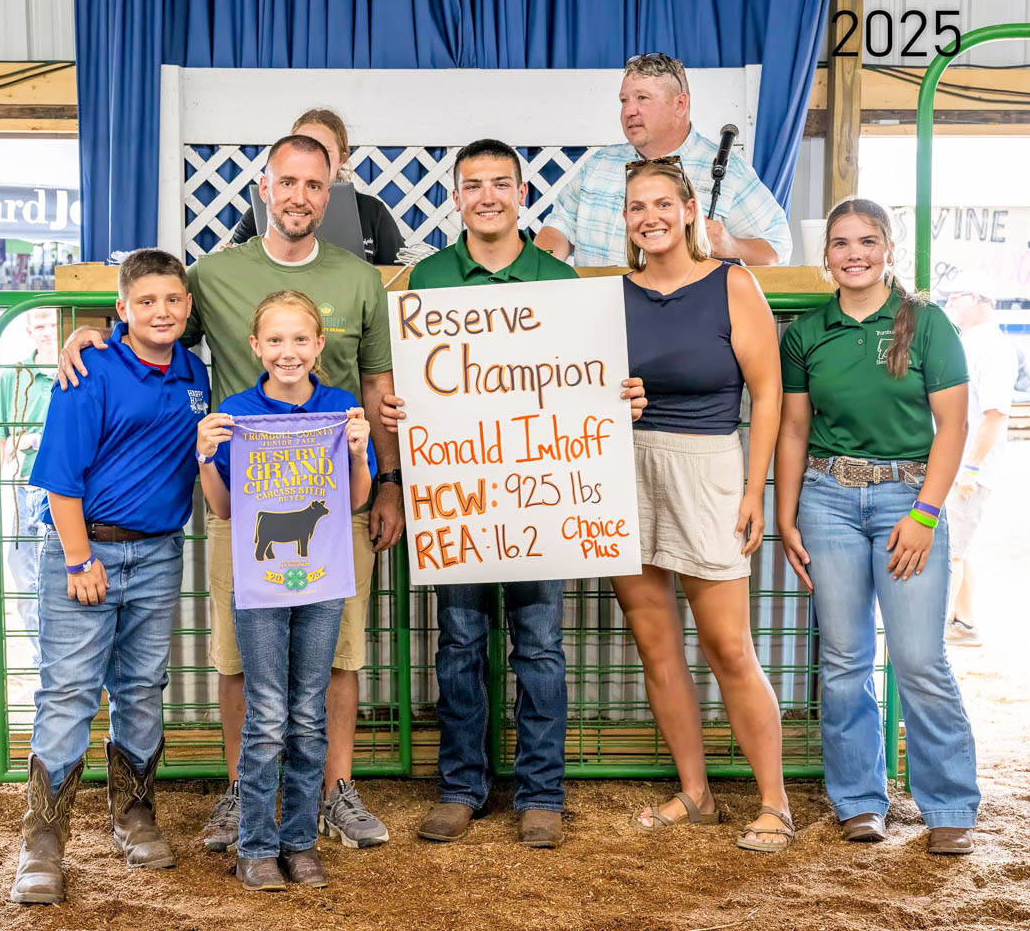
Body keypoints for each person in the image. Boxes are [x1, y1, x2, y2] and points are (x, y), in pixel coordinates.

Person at [58, 133, 401, 855]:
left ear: (331, 188)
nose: (300, 197)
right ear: (264, 187)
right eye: (287, 182)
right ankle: (243, 798)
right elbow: (157, 323)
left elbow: (375, 388)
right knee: (236, 658)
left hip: (337, 503)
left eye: (315, 184)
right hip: (236, 503)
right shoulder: (213, 275)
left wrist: (388, 482)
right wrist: (90, 331)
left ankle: (333, 792)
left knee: (337, 653)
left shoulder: (362, 279)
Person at [380, 139, 646, 849]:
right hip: (458, 496)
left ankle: (541, 792)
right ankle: (463, 786)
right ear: (457, 196)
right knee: (460, 643)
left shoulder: (561, 279)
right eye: (474, 184)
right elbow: (402, 379)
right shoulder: (425, 280)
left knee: (540, 647)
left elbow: (589, 379)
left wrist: (617, 394)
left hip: (538, 498)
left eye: (501, 183)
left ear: (522, 195)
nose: (488, 195)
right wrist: (400, 410)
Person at [775, 197, 980, 855]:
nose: (854, 253)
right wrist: (786, 510)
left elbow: (955, 426)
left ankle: (948, 803)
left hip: (906, 500)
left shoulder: (927, 325)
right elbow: (795, 427)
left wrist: (924, 513)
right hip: (827, 499)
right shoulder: (807, 332)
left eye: (867, 240)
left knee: (919, 658)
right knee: (843, 660)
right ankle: (860, 801)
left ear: (888, 248)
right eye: (840, 243)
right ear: (826, 255)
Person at [11, 249, 210, 905]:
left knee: (143, 688)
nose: (162, 312)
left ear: (188, 308)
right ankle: (43, 839)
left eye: (173, 301)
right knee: (68, 692)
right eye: (145, 301)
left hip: (157, 554)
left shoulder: (193, 373)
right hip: (84, 549)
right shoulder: (88, 368)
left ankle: (134, 814)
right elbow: (60, 480)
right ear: (121, 310)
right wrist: (78, 559)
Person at [611, 156, 792, 852]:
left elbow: (768, 392)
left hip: (709, 468)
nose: (649, 217)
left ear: (689, 208)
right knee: (656, 645)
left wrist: (754, 488)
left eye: (662, 203)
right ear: (624, 220)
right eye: (636, 207)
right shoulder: (613, 296)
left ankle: (774, 801)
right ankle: (696, 792)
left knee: (728, 647)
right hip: (625, 472)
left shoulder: (732, 283)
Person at [196, 290, 374, 891]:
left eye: (301, 339)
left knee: (306, 710)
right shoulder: (237, 411)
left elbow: (354, 500)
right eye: (275, 340)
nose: (288, 351)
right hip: (258, 585)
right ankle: (254, 845)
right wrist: (204, 457)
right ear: (255, 347)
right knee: (267, 711)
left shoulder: (341, 408)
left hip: (322, 583)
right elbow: (221, 508)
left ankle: (299, 842)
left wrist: (356, 452)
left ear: (320, 345)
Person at [534, 52, 791, 268]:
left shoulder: (727, 172)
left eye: (642, 99)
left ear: (680, 105)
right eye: (624, 100)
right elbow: (560, 227)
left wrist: (730, 245)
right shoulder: (598, 165)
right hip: (598, 316)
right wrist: (538, 271)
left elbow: (777, 251)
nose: (629, 111)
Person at [942, 272, 1017, 648]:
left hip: (968, 469)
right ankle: (965, 623)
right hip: (955, 465)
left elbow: (995, 414)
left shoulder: (995, 348)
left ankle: (935, 634)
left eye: (957, 296)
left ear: (978, 298)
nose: (951, 304)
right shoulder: (970, 342)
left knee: (949, 551)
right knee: (959, 546)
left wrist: (970, 468)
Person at [230, 108, 405, 266]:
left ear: (341, 159)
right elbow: (235, 262)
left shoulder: (372, 211)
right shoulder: (263, 210)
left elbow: (400, 277)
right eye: (303, 148)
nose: (312, 158)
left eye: (324, 151)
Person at [0, 308, 59, 666]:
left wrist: (33, 439)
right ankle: (43, 664)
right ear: (28, 330)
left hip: (64, 487)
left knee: (58, 574)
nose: (47, 330)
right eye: (39, 324)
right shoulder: (13, 377)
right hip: (25, 486)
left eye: (52, 323)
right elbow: (5, 437)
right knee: (25, 578)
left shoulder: (81, 368)